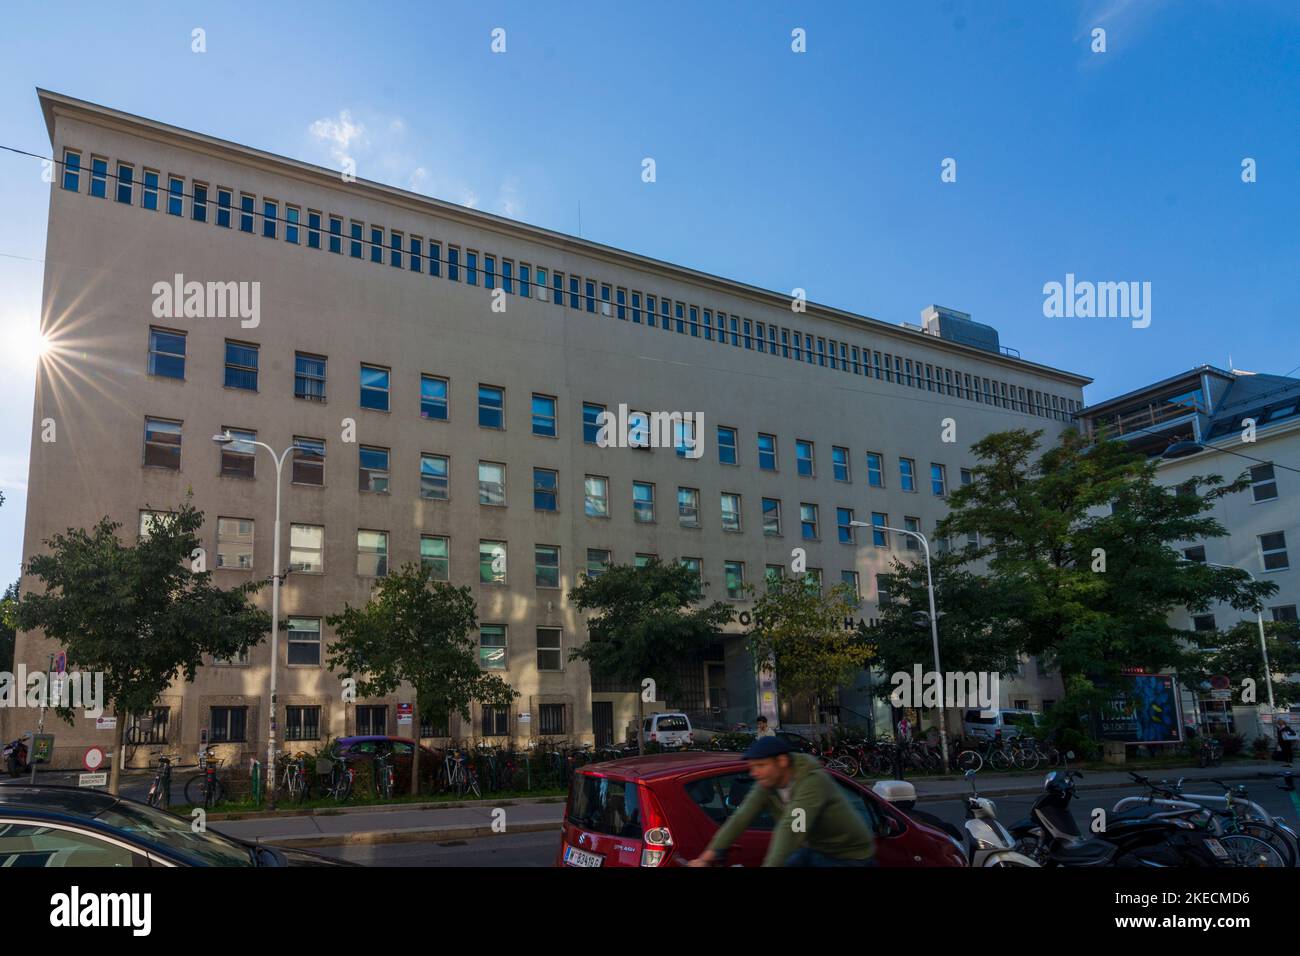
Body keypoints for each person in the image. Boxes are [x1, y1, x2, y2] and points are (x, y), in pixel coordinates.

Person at [686, 737, 875, 867]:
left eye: (761, 766)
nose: (754, 773)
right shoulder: (768, 783)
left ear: (782, 761)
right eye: (752, 767)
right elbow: (740, 818)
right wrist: (705, 858)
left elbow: (792, 828)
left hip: (850, 855)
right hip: (816, 849)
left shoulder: (813, 781)